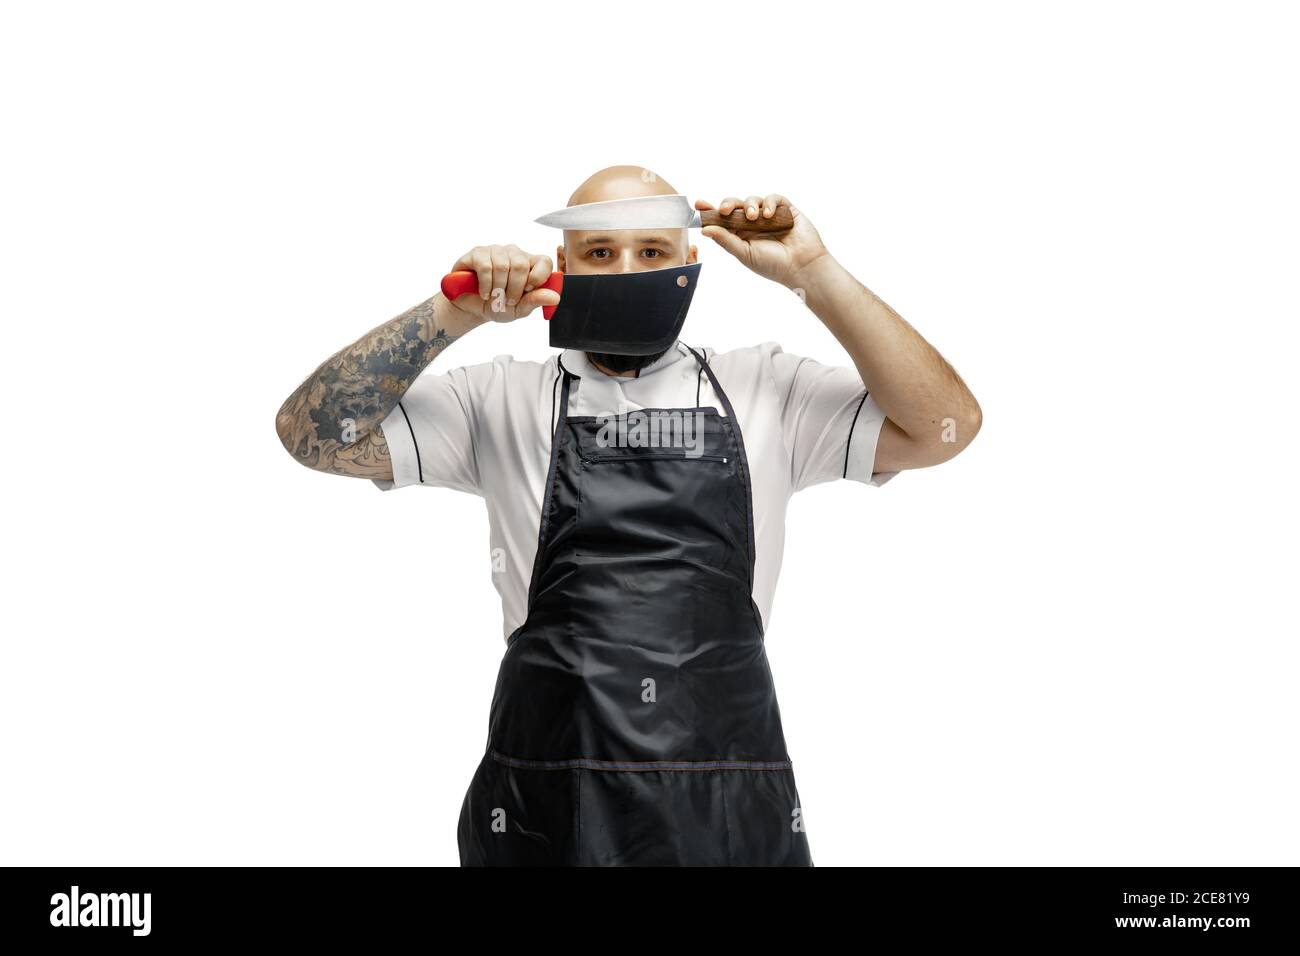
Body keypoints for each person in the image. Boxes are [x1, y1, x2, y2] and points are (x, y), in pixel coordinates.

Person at [275, 165, 982, 865]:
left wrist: (813, 272)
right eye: (599, 252)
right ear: (562, 267)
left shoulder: (769, 390)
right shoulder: (495, 400)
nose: (626, 270)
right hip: (547, 810)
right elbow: (314, 436)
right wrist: (452, 314)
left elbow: (944, 427)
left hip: (728, 814)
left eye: (651, 251)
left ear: (690, 263)